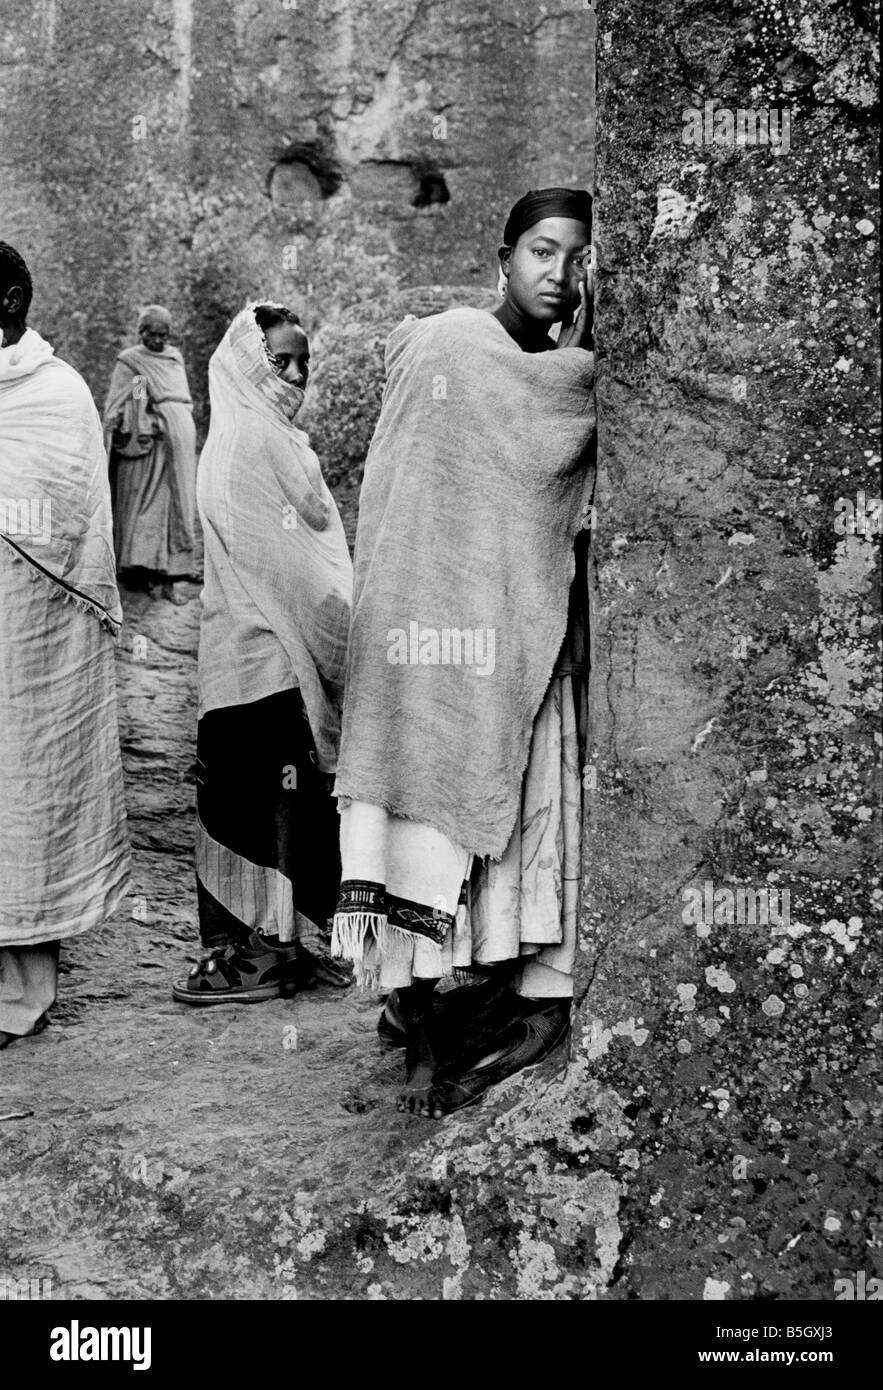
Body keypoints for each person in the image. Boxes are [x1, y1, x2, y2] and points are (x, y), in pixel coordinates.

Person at [331, 187, 596, 1117]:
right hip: (428, 636)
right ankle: (412, 1009)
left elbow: (545, 499)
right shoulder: (449, 346)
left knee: (523, 807)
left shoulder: (569, 378)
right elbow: (408, 502)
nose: (557, 275)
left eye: (577, 257)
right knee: (417, 794)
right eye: (540, 251)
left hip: (519, 635)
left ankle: (522, 998)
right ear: (504, 255)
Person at [173, 302, 353, 1005]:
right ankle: (267, 952)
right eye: (282, 360)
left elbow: (306, 558)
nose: (297, 374)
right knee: (258, 807)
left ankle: (280, 951)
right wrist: (338, 621)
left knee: (284, 806)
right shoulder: (247, 442)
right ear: (249, 363)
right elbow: (286, 569)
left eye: (304, 361)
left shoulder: (276, 437)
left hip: (272, 661)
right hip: (255, 655)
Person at [0, 242, 130, 1049]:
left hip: (29, 643)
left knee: (22, 800)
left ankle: (20, 996)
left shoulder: (54, 394)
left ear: (9, 303)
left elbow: (70, 519)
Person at [102, 304, 198, 602]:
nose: (158, 340)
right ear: (141, 332)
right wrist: (145, 422)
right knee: (145, 511)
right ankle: (142, 574)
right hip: (147, 448)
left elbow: (182, 398)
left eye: (163, 335)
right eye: (152, 334)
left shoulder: (173, 358)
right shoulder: (133, 362)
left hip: (175, 445)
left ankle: (170, 576)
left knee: (175, 507)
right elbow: (132, 396)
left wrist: (174, 421)